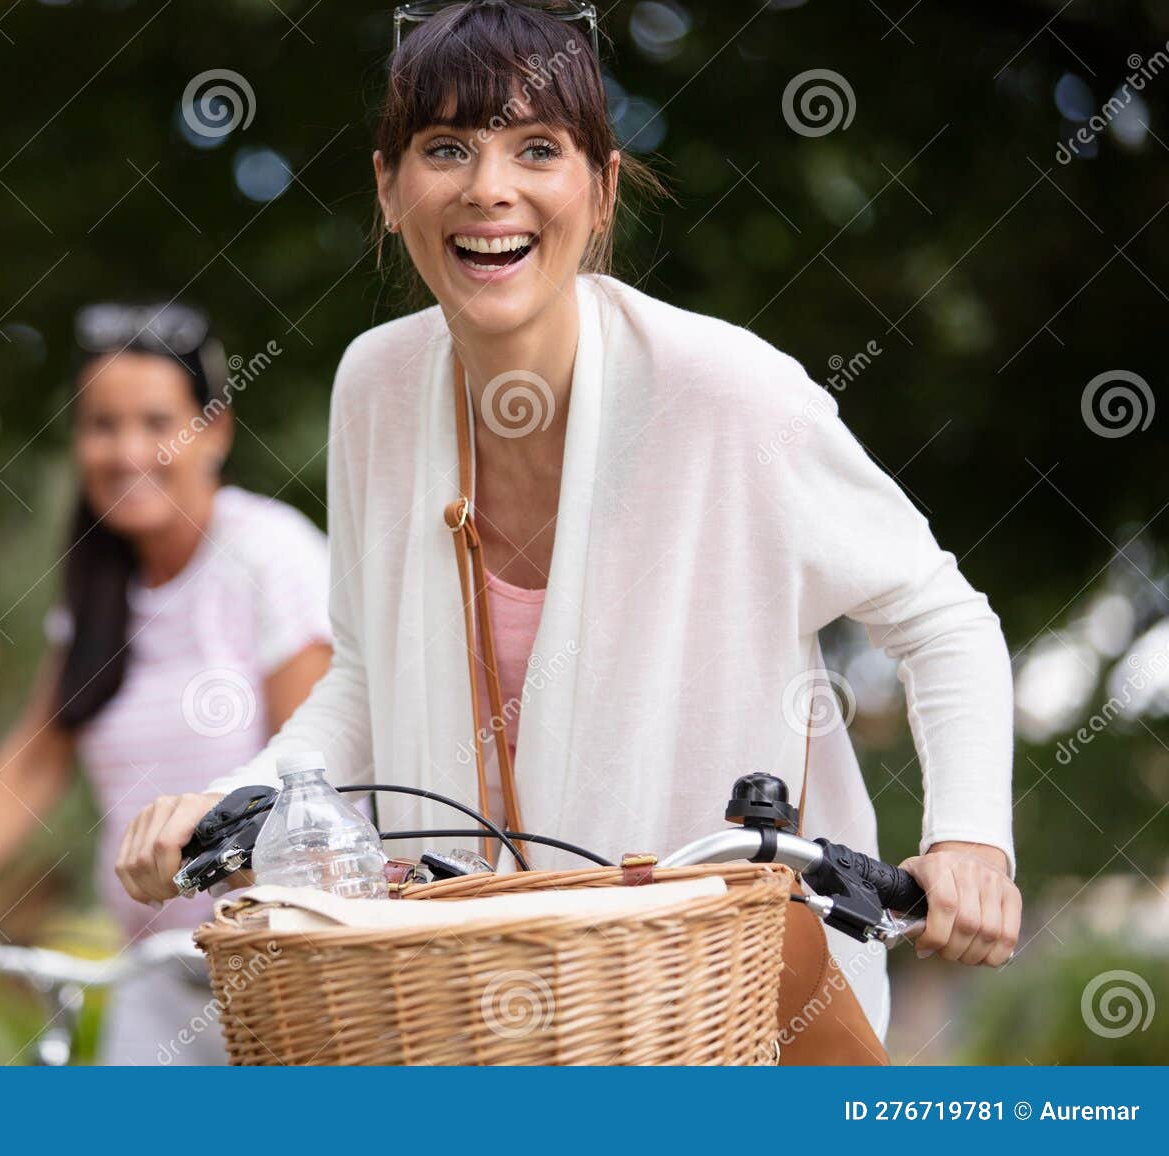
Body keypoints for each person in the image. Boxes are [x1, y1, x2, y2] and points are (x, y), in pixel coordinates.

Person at [115, 0, 1020, 1042]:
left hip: (725, 999)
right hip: (473, 1005)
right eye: (444, 146)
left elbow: (941, 618)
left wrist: (968, 843)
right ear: (388, 185)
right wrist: (228, 800)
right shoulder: (375, 384)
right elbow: (360, 677)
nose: (487, 187)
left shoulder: (725, 391)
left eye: (535, 148)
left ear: (600, 190)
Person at [0, 302, 333, 1065]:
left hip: (284, 977)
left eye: (155, 422)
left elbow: (312, 763)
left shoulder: (271, 555)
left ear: (214, 432)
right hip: (154, 979)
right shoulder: (99, 592)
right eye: (102, 425)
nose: (127, 448)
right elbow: (37, 758)